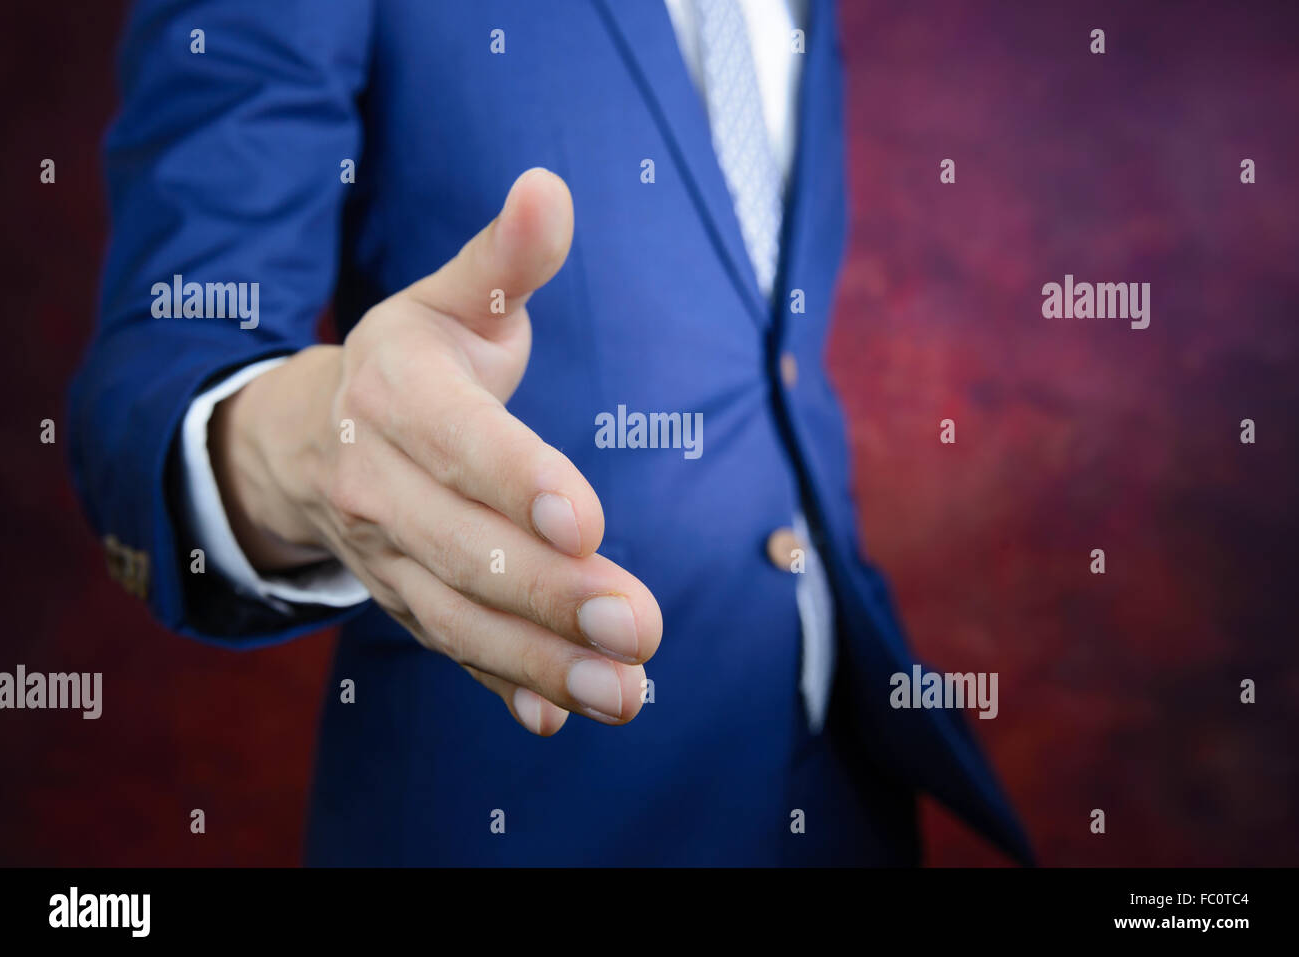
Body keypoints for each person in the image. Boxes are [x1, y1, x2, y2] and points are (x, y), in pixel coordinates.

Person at [69, 0, 1031, 865]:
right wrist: (312, 449)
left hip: (846, 793)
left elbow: (766, 349)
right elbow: (162, 356)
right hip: (525, 811)